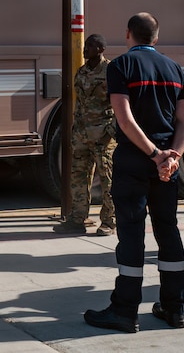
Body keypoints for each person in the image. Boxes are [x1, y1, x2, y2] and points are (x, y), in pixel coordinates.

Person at [84, 12, 184, 334]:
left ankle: (125, 310)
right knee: (168, 229)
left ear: (128, 33)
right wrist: (172, 157)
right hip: (167, 164)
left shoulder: (120, 66)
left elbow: (125, 118)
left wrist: (154, 154)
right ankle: (174, 308)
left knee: (132, 234)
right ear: (156, 38)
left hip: (134, 159)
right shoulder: (174, 68)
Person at [54, 34, 116, 237]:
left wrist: (110, 133)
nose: (85, 48)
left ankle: (109, 221)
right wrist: (75, 132)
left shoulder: (111, 71)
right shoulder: (81, 72)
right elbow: (80, 104)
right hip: (82, 135)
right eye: (86, 45)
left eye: (90, 45)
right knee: (78, 178)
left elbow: (121, 105)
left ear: (101, 49)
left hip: (102, 135)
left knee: (108, 180)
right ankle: (77, 219)